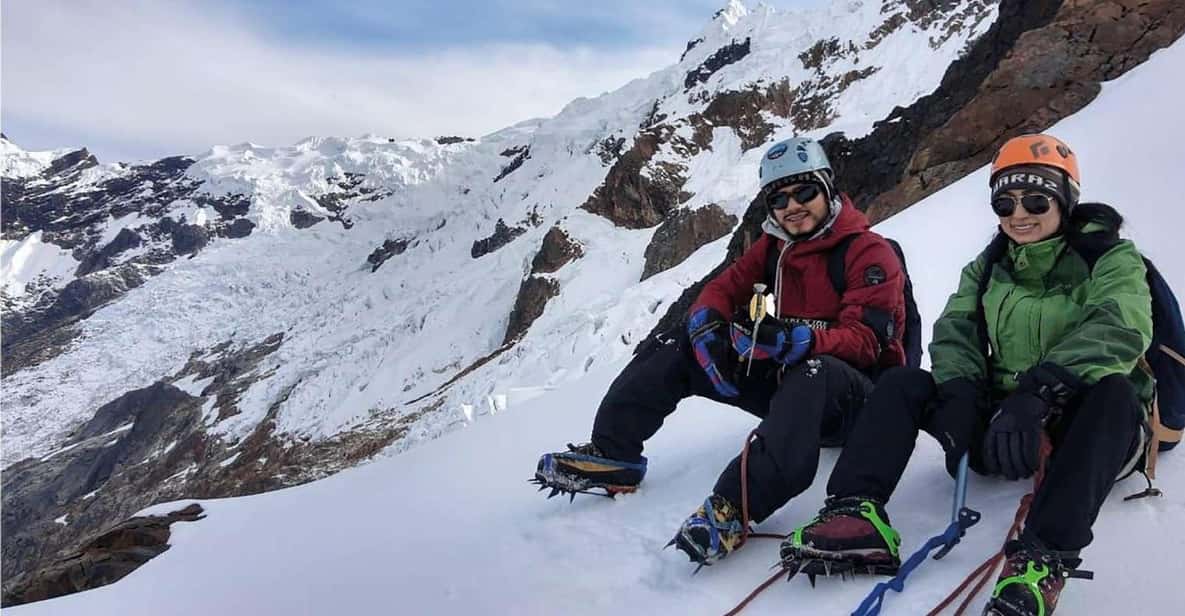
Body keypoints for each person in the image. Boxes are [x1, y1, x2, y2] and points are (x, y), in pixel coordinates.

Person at [783, 134, 1153, 616]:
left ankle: (1041, 561)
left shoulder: (1111, 257)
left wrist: (1041, 391)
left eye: (1036, 200)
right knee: (904, 383)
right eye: (1005, 202)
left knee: (1116, 393)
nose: (1019, 214)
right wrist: (961, 393)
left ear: (1065, 200)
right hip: (1005, 425)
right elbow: (956, 329)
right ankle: (855, 510)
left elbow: (1119, 325)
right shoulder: (990, 265)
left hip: (1087, 426)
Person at [532, 136, 909, 568]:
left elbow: (866, 342)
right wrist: (706, 325)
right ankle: (614, 453)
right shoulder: (776, 246)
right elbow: (724, 287)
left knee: (814, 371)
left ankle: (734, 509)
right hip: (793, 387)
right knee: (678, 342)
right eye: (779, 199)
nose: (792, 206)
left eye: (804, 192)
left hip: (857, 403)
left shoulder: (869, 253)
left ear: (827, 188)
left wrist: (799, 340)